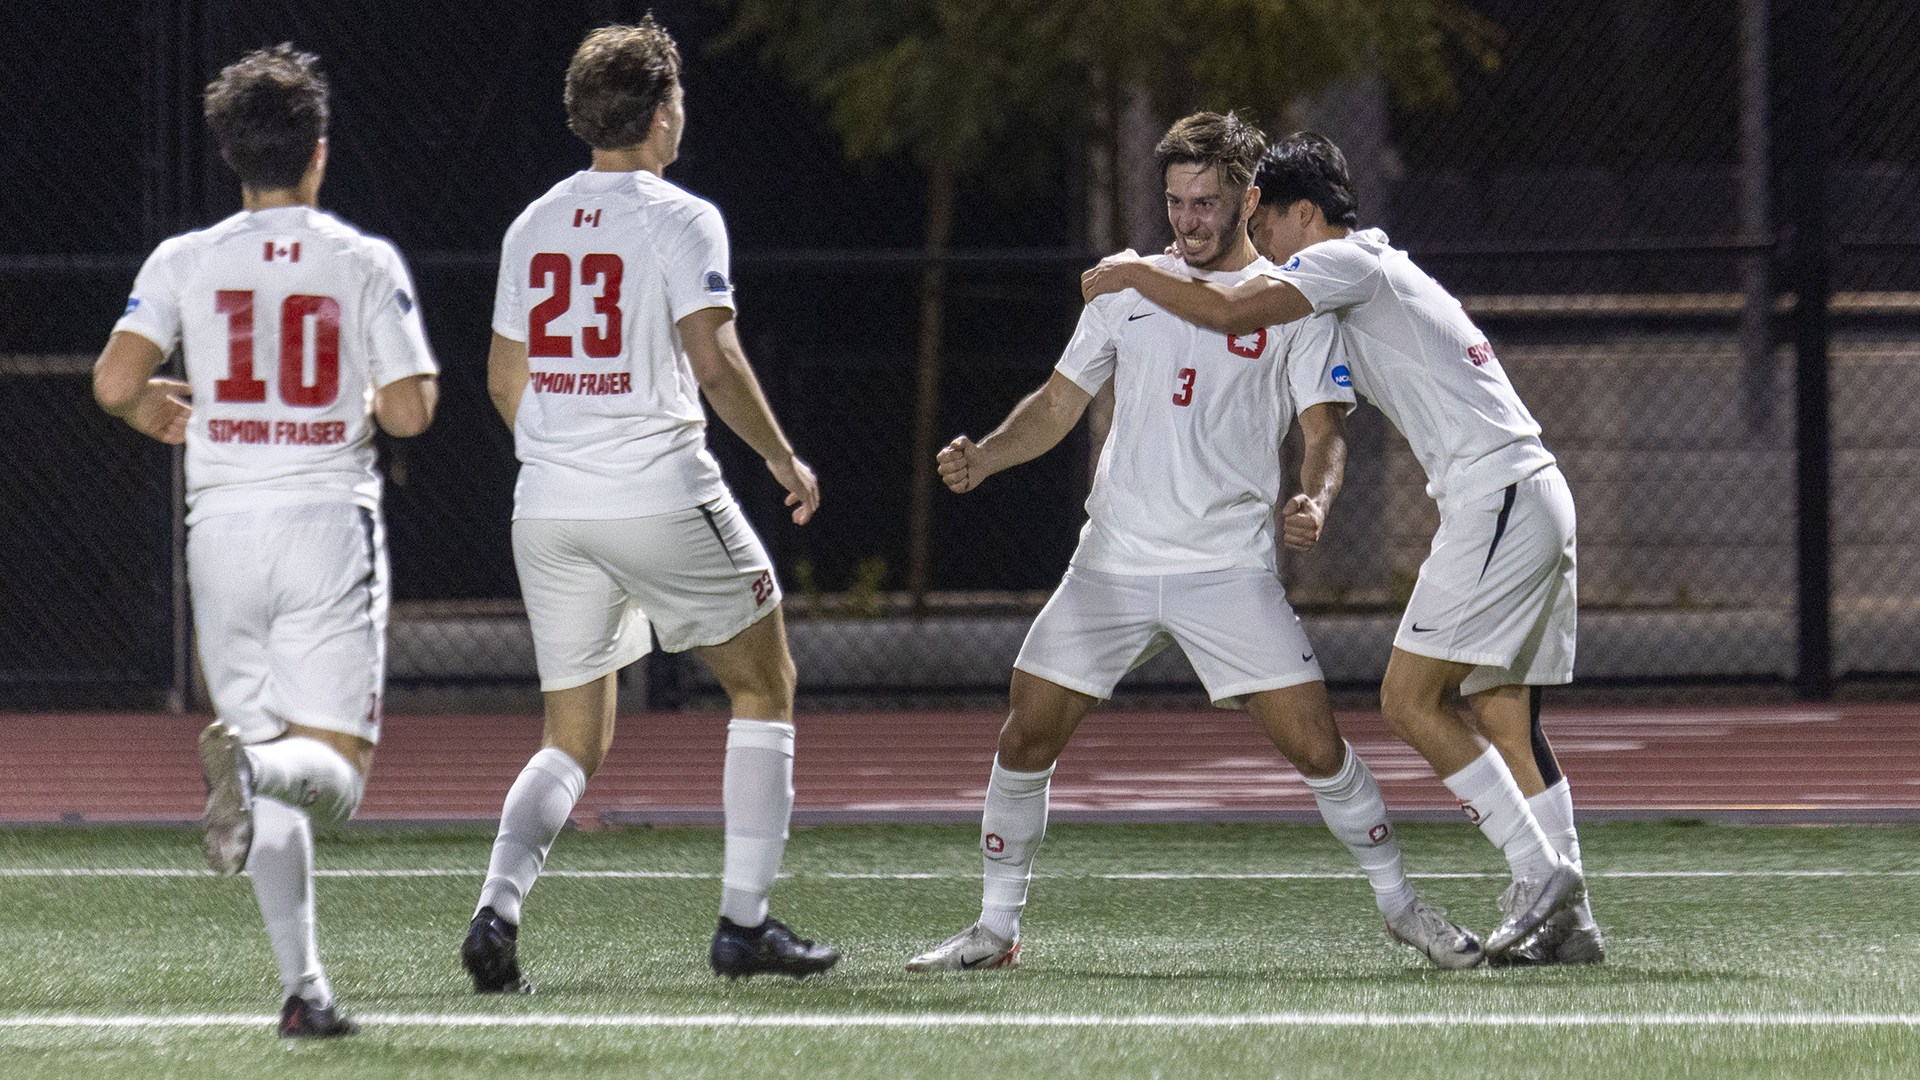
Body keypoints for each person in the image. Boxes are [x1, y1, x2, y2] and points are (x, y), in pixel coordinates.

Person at [908, 113, 1482, 974]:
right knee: (1026, 732)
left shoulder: (1292, 300)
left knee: (1318, 747)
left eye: (1206, 202)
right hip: (1114, 561)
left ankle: (1402, 908)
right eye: (1175, 201)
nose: (1187, 219)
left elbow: (1325, 432)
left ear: (1248, 199)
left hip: (1228, 569)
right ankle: (995, 928)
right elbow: (1062, 401)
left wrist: (1316, 502)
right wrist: (987, 456)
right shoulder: (1131, 286)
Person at [1081, 131, 1597, 965]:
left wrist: (1136, 272)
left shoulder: (1340, 263)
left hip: (1497, 496)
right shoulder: (1368, 268)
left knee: (1409, 701)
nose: (1265, 247)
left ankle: (1540, 872)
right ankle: (1572, 924)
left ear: (1306, 213)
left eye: (1267, 222)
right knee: (1501, 709)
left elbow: (1228, 308)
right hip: (1526, 491)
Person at [460, 18, 837, 993]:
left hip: (546, 503)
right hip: (656, 486)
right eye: (679, 102)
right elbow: (715, 359)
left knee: (572, 738)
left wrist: (563, 456)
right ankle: (744, 924)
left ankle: (497, 910)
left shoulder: (532, 221)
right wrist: (786, 457)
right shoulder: (681, 216)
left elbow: (505, 378)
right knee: (764, 679)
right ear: (661, 110)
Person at [92, 45, 441, 1036]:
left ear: (230, 157)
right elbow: (413, 411)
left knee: (267, 756)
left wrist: (151, 401)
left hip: (222, 537)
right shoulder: (361, 259)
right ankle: (250, 772)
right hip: (326, 528)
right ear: (318, 154)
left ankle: (306, 992)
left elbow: (115, 384)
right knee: (330, 773)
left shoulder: (186, 259)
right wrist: (362, 398)